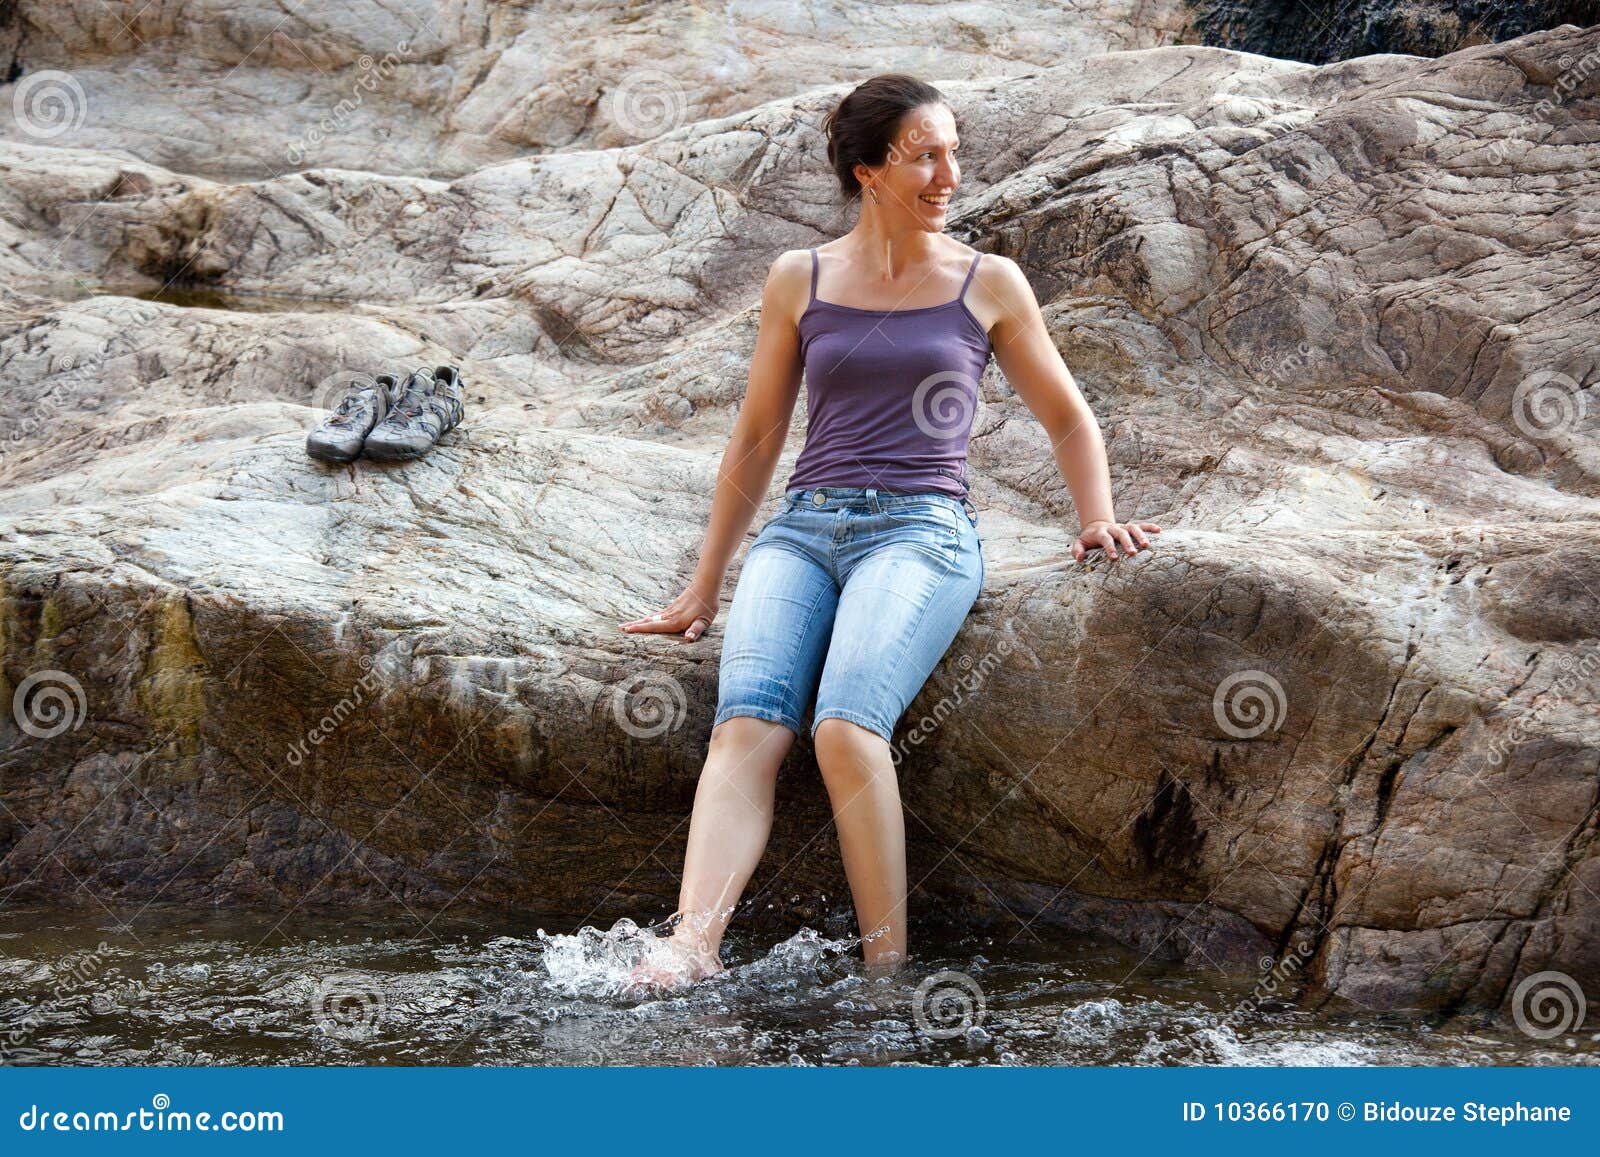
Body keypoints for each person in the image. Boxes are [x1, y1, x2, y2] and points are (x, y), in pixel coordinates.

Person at [618, 74, 1161, 989]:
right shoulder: (802, 277)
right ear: (869, 171)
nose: (950, 173)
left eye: (954, 151)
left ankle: (886, 972)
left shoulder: (989, 282)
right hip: (801, 529)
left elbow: (1068, 416)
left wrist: (1097, 516)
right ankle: (691, 946)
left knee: (843, 725)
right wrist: (706, 584)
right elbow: (757, 438)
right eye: (926, 156)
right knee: (746, 725)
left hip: (923, 531)